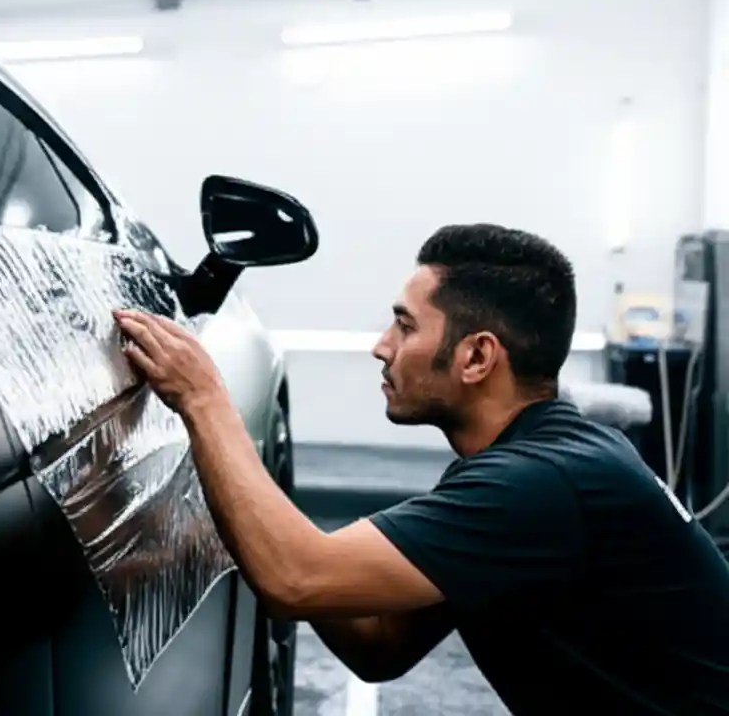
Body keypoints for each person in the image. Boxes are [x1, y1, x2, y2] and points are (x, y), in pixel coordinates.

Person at [113, 224, 729, 715]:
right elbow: (383, 644)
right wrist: (238, 531)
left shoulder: (537, 485)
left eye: (404, 325)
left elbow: (296, 578)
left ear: (477, 356)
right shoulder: (537, 462)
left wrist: (203, 397)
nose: (381, 345)